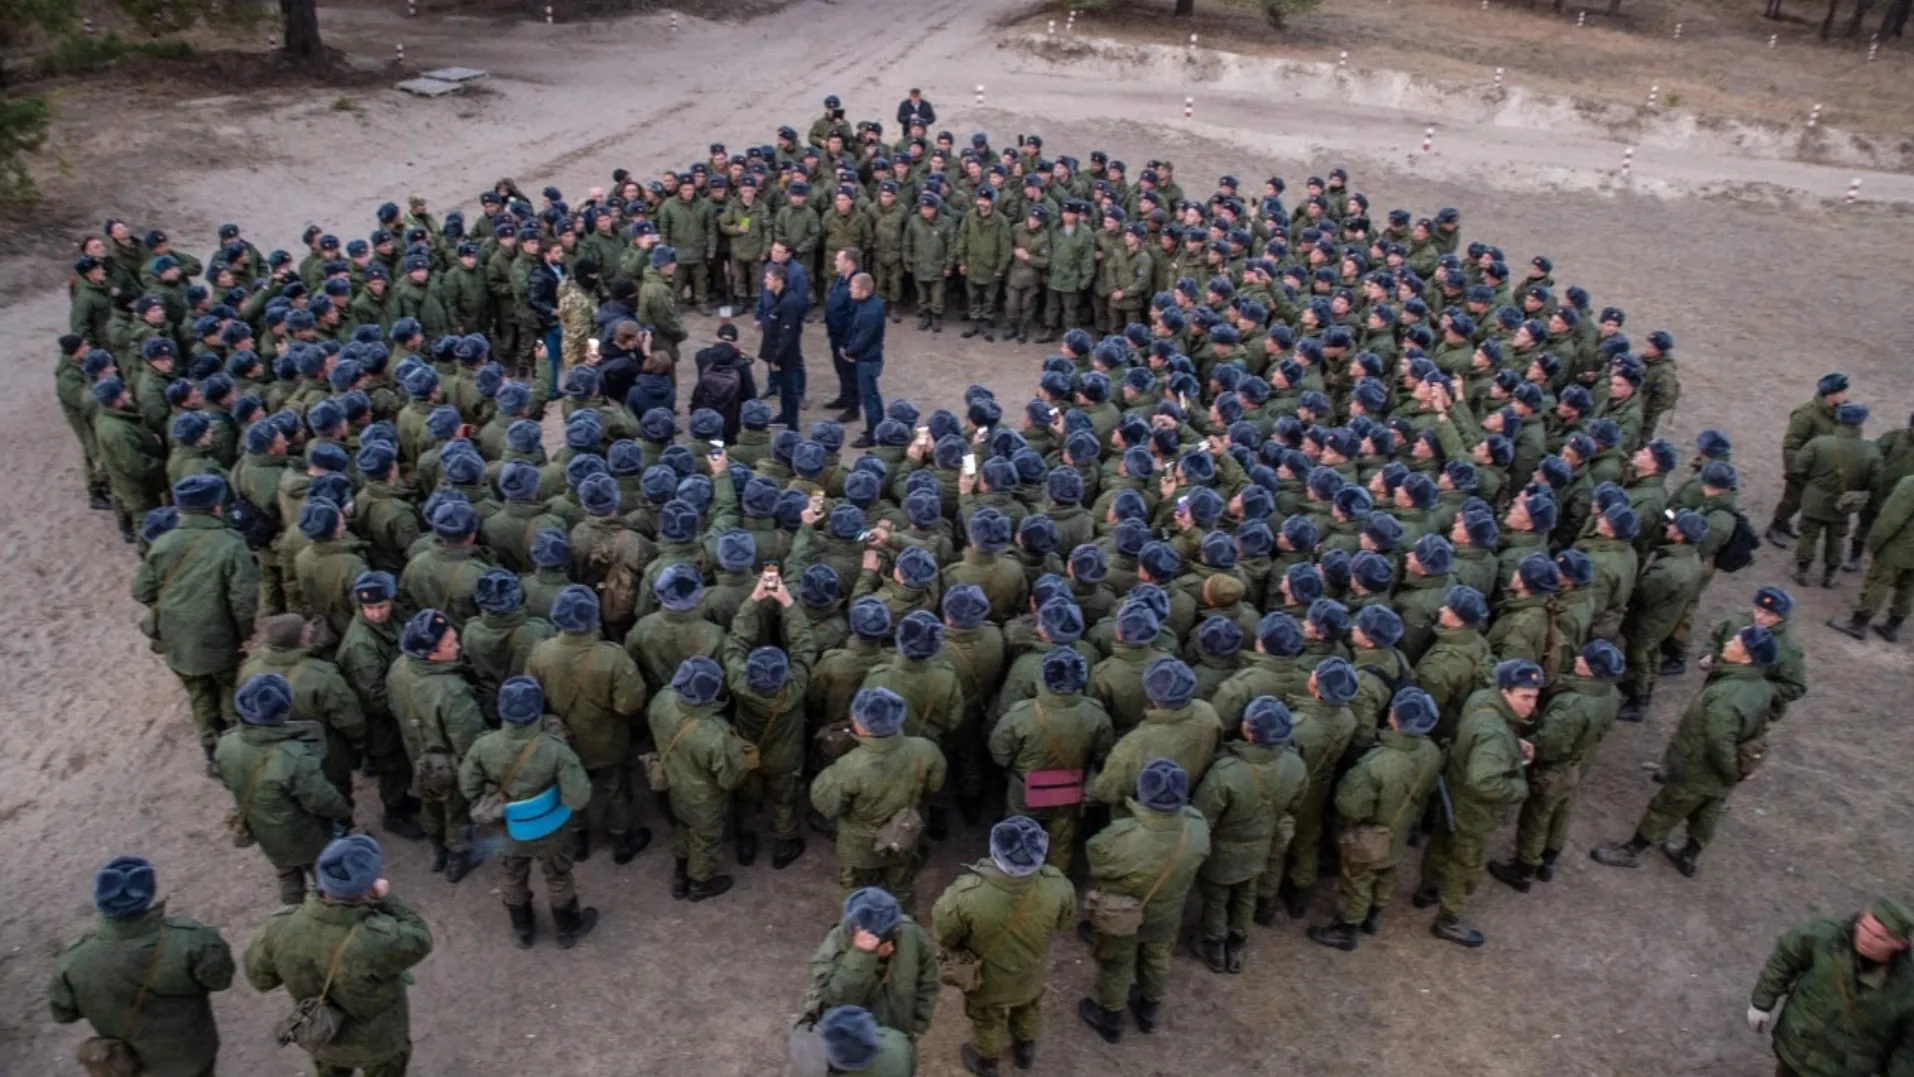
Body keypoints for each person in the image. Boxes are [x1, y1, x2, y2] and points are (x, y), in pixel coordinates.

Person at [1590, 624, 1779, 877]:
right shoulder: (1761, 686)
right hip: (1720, 774)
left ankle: (1633, 851)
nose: (1728, 643)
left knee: (1666, 806)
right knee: (1707, 811)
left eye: (1736, 642)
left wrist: (1730, 771)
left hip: (1699, 766)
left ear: (1746, 658)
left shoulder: (1725, 695)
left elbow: (1718, 740)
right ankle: (1689, 855)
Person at [244, 835, 434, 1077]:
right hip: (379, 1044)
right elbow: (420, 938)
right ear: (368, 886)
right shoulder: (379, 938)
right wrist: (387, 898)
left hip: (323, 1037)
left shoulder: (281, 925)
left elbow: (261, 979)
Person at [47, 856, 235, 1077]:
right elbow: (220, 980)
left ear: (99, 898)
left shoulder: (73, 961)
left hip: (127, 1064)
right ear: (149, 892)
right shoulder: (191, 940)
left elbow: (63, 1014)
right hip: (191, 1058)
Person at [931, 816, 1077, 1077]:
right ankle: (1025, 1051)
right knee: (1029, 1007)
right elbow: (1065, 922)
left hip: (988, 979)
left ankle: (986, 1061)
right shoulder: (1058, 886)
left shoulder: (966, 895)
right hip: (1031, 971)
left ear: (995, 850)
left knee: (987, 1019)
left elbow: (945, 935)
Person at [1078, 758, 1211, 1045]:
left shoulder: (1121, 835)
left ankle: (1110, 1019)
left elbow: (1097, 861)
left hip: (1122, 915)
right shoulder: (1197, 828)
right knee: (1157, 956)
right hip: (1167, 912)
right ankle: (1149, 1009)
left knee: (1116, 964)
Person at [458, 676, 596, 949]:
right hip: (550, 829)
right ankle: (568, 929)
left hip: (507, 827)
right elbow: (578, 797)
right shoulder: (556, 750)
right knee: (558, 876)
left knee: (512, 874)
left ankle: (523, 930)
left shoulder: (483, 746)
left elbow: (467, 787)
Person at [131, 473, 259, 769]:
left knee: (200, 694)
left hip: (175, 636)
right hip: (219, 635)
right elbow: (243, 600)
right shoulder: (230, 543)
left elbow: (141, 589)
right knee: (229, 688)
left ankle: (210, 749)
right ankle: (231, 745)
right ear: (215, 506)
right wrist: (243, 633)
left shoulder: (164, 542)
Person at [1413, 659, 1539, 947]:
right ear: (1506, 692)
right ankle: (1449, 919)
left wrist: (1512, 742)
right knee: (1465, 863)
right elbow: (1483, 781)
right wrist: (1518, 787)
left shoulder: (1482, 699)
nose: (1531, 705)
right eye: (1525, 697)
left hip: (1453, 789)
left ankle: (1427, 889)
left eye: (1534, 696)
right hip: (1474, 808)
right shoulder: (1494, 734)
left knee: (1442, 841)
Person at [524, 585, 652, 865]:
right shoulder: (612, 656)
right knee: (615, 787)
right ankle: (621, 838)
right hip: (606, 739)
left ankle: (578, 838)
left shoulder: (540, 653)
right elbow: (628, 704)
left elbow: (531, 699)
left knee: (570, 786)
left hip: (562, 740)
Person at [1308, 687, 1442, 951]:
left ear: (1395, 719)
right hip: (1401, 825)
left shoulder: (1377, 764)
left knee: (1357, 880)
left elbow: (1349, 805)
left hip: (1370, 833)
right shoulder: (1431, 751)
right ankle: (1373, 915)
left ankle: (1347, 928)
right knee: (1387, 870)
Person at [1193, 697, 1306, 971]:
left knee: (1216, 898)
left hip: (1223, 850)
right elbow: (1295, 805)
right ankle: (1238, 942)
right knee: (1246, 894)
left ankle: (1215, 945)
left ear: (1249, 732)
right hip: (1262, 845)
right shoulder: (1295, 765)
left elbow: (1202, 817)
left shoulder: (1226, 772)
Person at [811, 687, 948, 912]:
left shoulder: (850, 765)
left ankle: (858, 928)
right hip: (904, 834)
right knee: (901, 886)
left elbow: (826, 804)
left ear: (860, 725)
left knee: (855, 889)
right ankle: (902, 925)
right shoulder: (926, 750)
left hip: (859, 846)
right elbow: (935, 787)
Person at [1748, 898, 1914, 1077]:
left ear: (1900, 944)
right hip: (1795, 1050)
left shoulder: (1907, 987)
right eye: (1864, 927)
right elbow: (1786, 956)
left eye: (1878, 937)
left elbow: (1908, 1045)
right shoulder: (1826, 937)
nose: (1865, 938)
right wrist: (1761, 1002)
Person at [386, 608, 487, 882]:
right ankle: (458, 856)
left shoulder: (399, 669)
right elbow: (469, 740)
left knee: (427, 802)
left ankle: (437, 850)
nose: (457, 645)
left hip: (416, 752)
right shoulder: (450, 689)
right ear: (431, 653)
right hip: (448, 761)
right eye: (450, 643)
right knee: (456, 808)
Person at [648, 655, 750, 902]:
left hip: (672, 784)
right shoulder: (715, 732)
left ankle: (681, 872)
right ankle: (700, 883)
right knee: (706, 839)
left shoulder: (662, 701)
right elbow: (730, 779)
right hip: (705, 799)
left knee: (683, 826)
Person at [803, 887, 938, 1040]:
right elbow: (837, 999)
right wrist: (864, 957)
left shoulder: (910, 933)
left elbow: (928, 981)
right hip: (855, 1040)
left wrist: (918, 1025)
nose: (892, 946)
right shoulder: (834, 949)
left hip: (899, 1034)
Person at [1792, 401, 1880, 589]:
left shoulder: (1819, 443)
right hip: (1844, 504)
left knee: (1808, 535)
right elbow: (1875, 482)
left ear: (1839, 418)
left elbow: (1799, 468)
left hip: (1814, 499)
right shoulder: (1871, 451)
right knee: (1837, 540)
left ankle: (1802, 570)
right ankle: (1829, 576)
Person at [1832, 470, 1914, 642]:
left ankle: (1858, 624)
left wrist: (1873, 542)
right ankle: (1892, 626)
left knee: (1878, 582)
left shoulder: (1910, 484)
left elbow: (1890, 519)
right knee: (1908, 588)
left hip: (1899, 547)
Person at [1767, 372, 1847, 547]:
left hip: (1819, 469)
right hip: (1802, 468)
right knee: (1791, 500)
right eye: (1841, 392)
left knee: (1803, 501)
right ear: (1830, 394)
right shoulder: (1806, 415)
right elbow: (1791, 445)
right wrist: (1795, 470)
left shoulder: (1837, 413)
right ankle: (1775, 526)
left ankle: (1785, 524)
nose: (1845, 395)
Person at [842, 272, 888, 448]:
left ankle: (872, 434)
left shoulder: (870, 311)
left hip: (867, 360)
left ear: (864, 291)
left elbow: (863, 338)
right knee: (871, 396)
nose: (850, 290)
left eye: (853, 287)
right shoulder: (867, 305)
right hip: (868, 358)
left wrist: (849, 351)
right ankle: (876, 428)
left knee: (869, 398)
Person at [691, 322, 757, 442]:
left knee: (704, 444)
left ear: (717, 338)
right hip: (730, 415)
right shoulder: (741, 364)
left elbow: (701, 354)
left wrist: (718, 345)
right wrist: (742, 353)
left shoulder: (703, 357)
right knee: (727, 445)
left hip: (706, 410)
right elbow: (750, 394)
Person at [760, 262, 807, 428]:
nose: (765, 281)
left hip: (784, 357)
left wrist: (776, 359)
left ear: (779, 280)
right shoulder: (778, 298)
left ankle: (792, 424)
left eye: (768, 278)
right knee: (784, 388)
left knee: (789, 390)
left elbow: (787, 335)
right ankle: (784, 415)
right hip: (777, 354)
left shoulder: (788, 302)